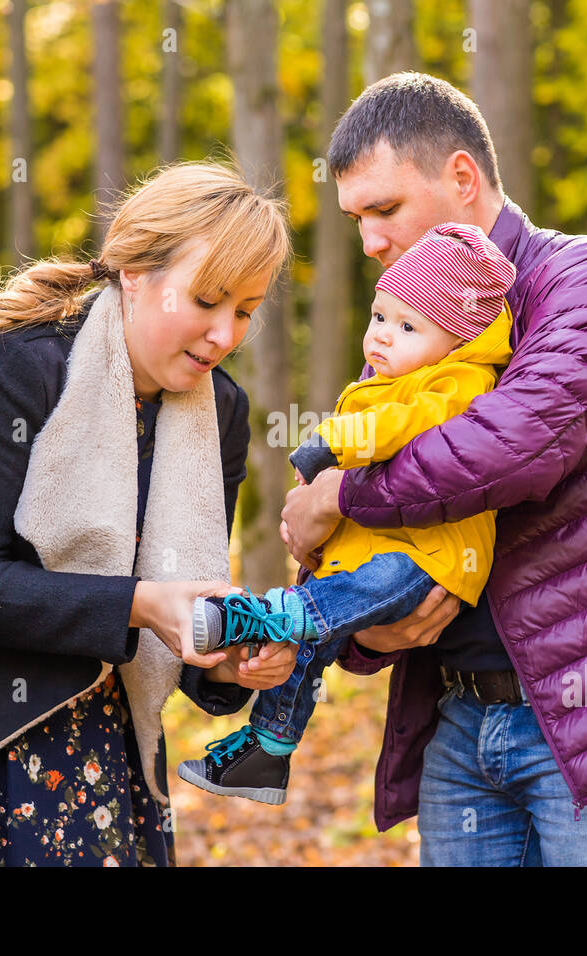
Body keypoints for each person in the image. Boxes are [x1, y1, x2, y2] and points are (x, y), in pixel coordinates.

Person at [279, 73, 587, 866]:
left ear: (463, 178)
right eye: (355, 219)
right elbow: (396, 542)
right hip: (458, 724)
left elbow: (509, 449)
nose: (368, 240)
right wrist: (367, 630)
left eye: (383, 209)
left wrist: (342, 492)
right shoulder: (422, 329)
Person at [0, 162, 297, 866]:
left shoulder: (222, 412)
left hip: (107, 750)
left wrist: (231, 665)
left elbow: (176, 617)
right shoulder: (9, 367)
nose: (224, 334)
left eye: (245, 310)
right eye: (206, 300)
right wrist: (140, 604)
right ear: (133, 273)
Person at [177, 222, 514, 805]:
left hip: (430, 558)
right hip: (375, 554)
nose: (383, 336)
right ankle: (268, 748)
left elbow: (402, 428)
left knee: (334, 603)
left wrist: (333, 442)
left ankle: (272, 615)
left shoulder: (461, 382)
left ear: (456, 340)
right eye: (380, 316)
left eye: (408, 325)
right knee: (309, 644)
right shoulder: (388, 381)